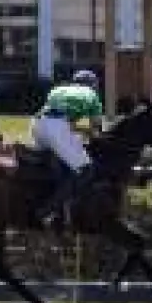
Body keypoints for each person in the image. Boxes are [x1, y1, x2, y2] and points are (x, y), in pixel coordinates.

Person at [30, 70, 103, 228]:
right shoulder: (92, 96)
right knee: (86, 170)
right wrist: (89, 134)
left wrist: (76, 132)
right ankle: (47, 211)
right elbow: (96, 131)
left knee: (57, 164)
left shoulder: (59, 89)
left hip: (37, 124)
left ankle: (60, 210)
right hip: (56, 127)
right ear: (92, 85)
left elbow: (65, 123)